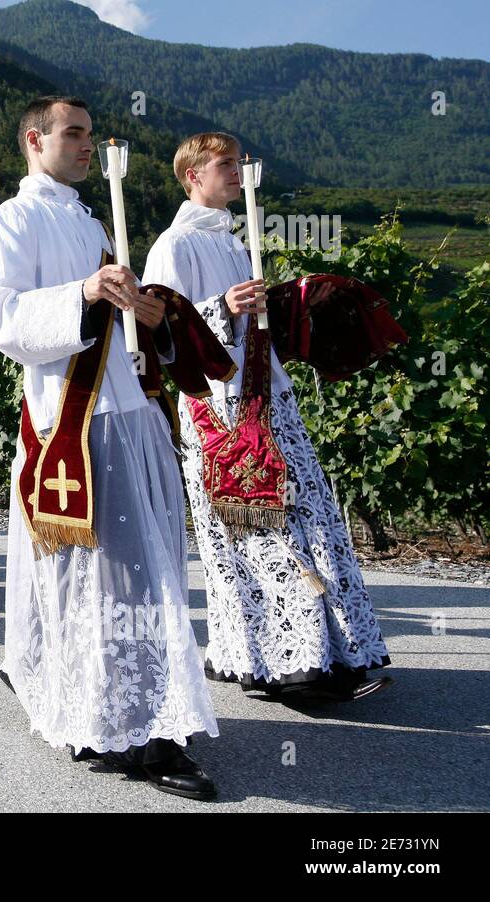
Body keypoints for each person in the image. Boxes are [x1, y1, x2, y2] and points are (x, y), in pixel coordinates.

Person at [0, 95, 219, 799]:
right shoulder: (9, 223)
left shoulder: (94, 220)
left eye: (88, 136)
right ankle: (130, 731)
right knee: (106, 578)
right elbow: (4, 319)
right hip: (75, 424)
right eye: (72, 134)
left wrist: (150, 313)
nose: (86, 146)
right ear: (33, 139)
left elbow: (136, 334)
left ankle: (125, 707)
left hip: (133, 415)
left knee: (145, 574)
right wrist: (84, 291)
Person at [143, 132, 392, 702]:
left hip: (268, 396)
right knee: (259, 528)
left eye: (237, 165)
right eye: (224, 165)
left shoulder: (236, 242)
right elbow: (161, 327)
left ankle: (331, 651)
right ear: (192, 177)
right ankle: (290, 665)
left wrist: (290, 309)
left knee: (306, 514)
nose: (236, 173)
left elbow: (256, 326)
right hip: (220, 407)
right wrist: (221, 308)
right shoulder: (174, 245)